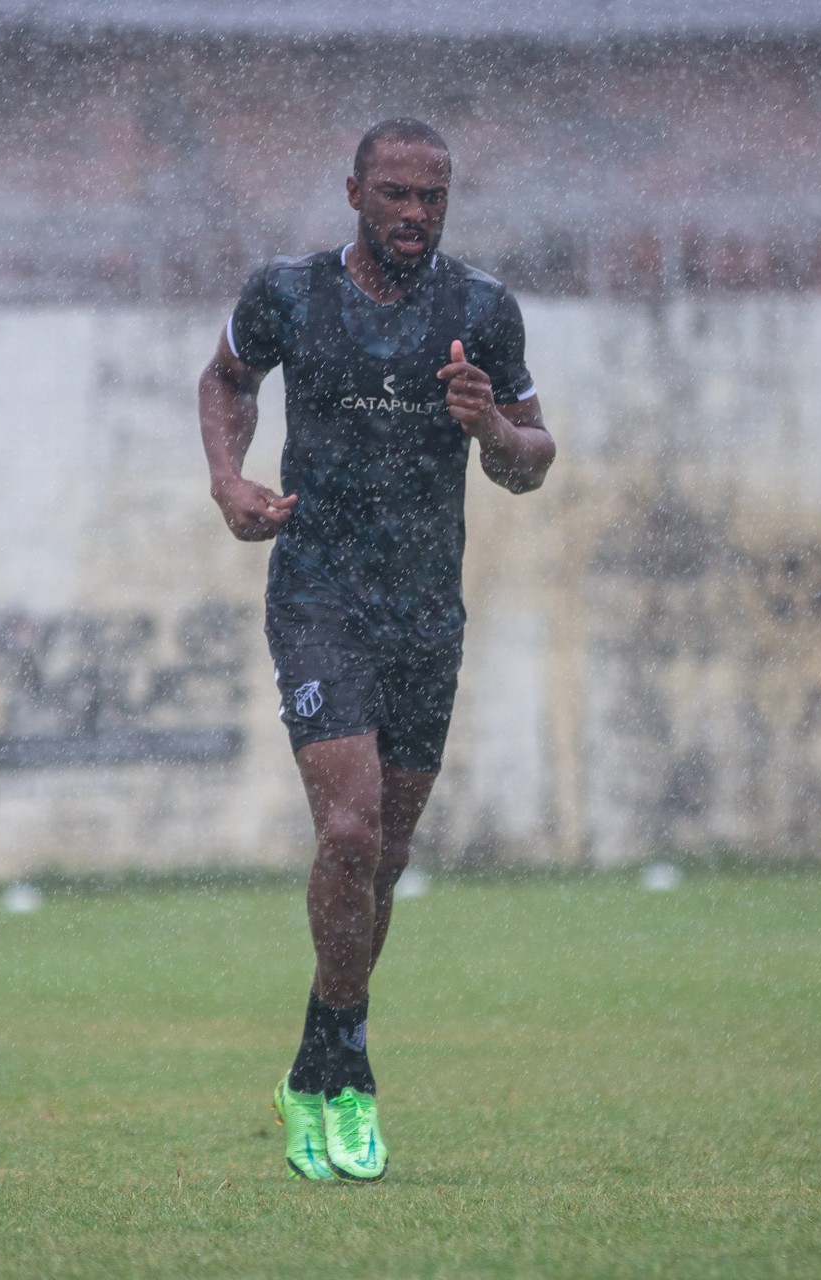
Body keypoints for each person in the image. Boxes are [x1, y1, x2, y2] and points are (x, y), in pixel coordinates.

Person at [197, 118, 555, 1182]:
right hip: (319, 594)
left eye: (431, 197)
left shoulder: (481, 311)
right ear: (354, 192)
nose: (413, 213)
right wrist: (228, 479)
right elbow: (226, 379)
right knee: (348, 830)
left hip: (425, 611)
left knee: (386, 857)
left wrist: (491, 429)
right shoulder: (290, 293)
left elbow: (534, 459)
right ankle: (352, 1072)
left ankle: (314, 1059)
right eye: (395, 193)